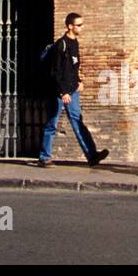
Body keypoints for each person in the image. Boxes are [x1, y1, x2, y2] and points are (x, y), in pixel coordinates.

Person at [37, 12, 109, 167]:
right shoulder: (60, 45)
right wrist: (63, 92)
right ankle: (44, 157)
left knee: (77, 121)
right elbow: (56, 71)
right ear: (70, 26)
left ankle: (92, 155)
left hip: (72, 89)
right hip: (58, 91)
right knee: (52, 123)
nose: (81, 28)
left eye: (82, 25)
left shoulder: (75, 43)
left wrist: (78, 81)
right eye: (79, 25)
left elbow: (73, 68)